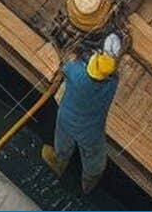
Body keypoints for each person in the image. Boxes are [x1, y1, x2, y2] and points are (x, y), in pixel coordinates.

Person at [41, 36, 121, 193]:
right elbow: (112, 73)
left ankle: (59, 162)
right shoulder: (112, 84)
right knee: (94, 157)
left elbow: (65, 65)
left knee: (62, 142)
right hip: (91, 129)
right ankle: (88, 183)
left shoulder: (76, 72)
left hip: (67, 119)